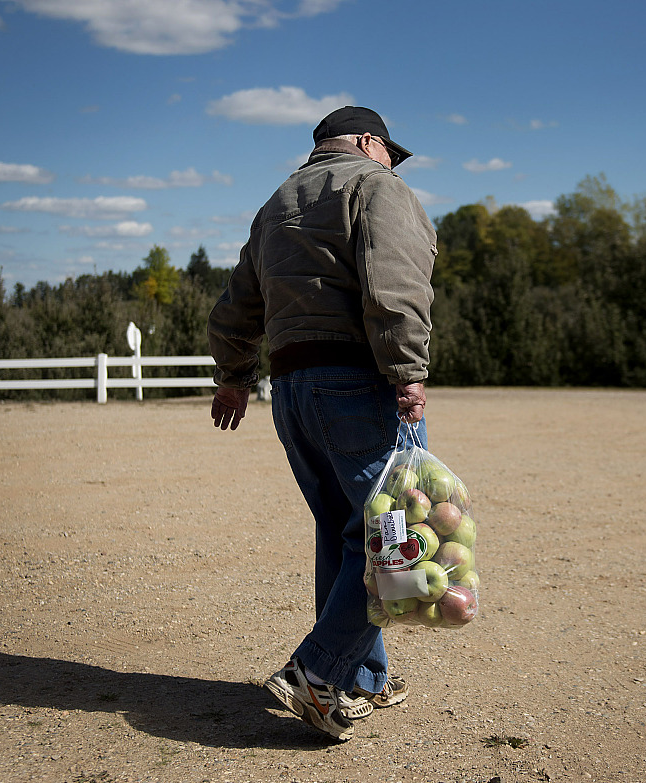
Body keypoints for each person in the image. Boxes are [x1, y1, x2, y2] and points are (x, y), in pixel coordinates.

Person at [207, 106, 436, 742]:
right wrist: (406, 367)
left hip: (293, 392)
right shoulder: (375, 188)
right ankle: (317, 671)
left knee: (348, 533)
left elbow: (237, 304)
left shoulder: (276, 205)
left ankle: (362, 676)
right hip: (358, 386)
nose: (391, 162)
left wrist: (232, 376)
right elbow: (395, 283)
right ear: (368, 143)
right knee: (404, 534)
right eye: (389, 150)